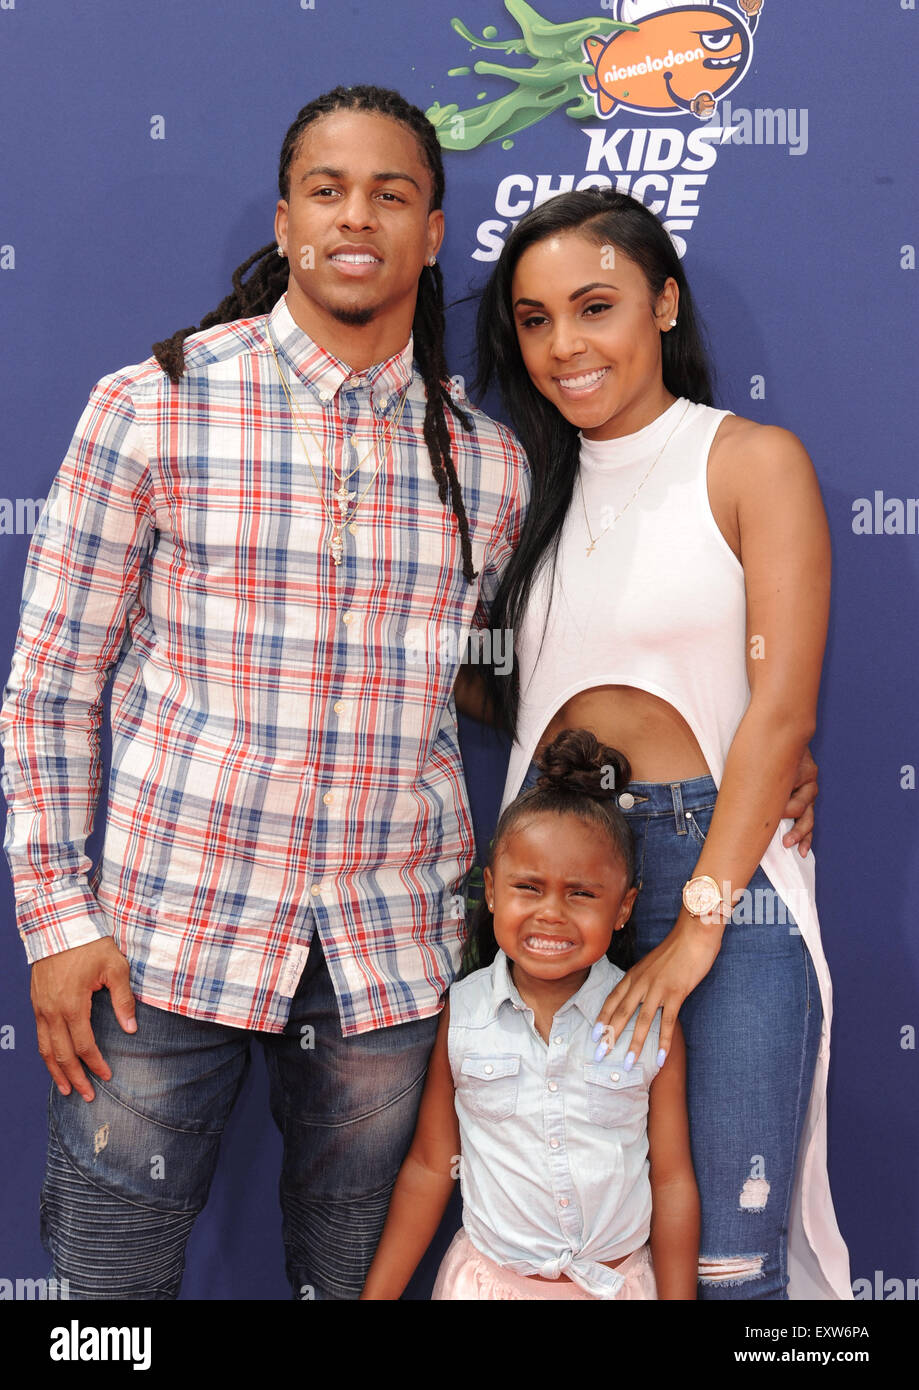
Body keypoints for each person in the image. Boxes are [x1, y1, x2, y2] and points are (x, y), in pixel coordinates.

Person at [0, 85, 530, 1300]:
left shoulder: (488, 467)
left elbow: (532, 672)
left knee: (353, 1282)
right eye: (328, 189)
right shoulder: (155, 404)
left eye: (392, 194)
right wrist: (56, 919)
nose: (359, 217)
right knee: (107, 1289)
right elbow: (47, 686)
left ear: (434, 232)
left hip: (387, 958)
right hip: (158, 940)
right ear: (289, 215)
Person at [470, 188, 851, 1299]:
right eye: (534, 320)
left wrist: (695, 928)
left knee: (730, 1267)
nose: (564, 345)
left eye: (596, 306)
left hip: (717, 877)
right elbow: (508, 685)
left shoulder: (748, 461)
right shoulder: (519, 486)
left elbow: (780, 710)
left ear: (665, 304)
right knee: (573, 1254)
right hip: (553, 887)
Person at [361, 728, 700, 1300]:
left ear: (624, 907)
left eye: (581, 894)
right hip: (490, 1287)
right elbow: (428, 1166)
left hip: (617, 1286)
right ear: (491, 891)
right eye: (528, 887)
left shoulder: (649, 1020)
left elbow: (671, 1181)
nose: (551, 914)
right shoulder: (464, 1014)